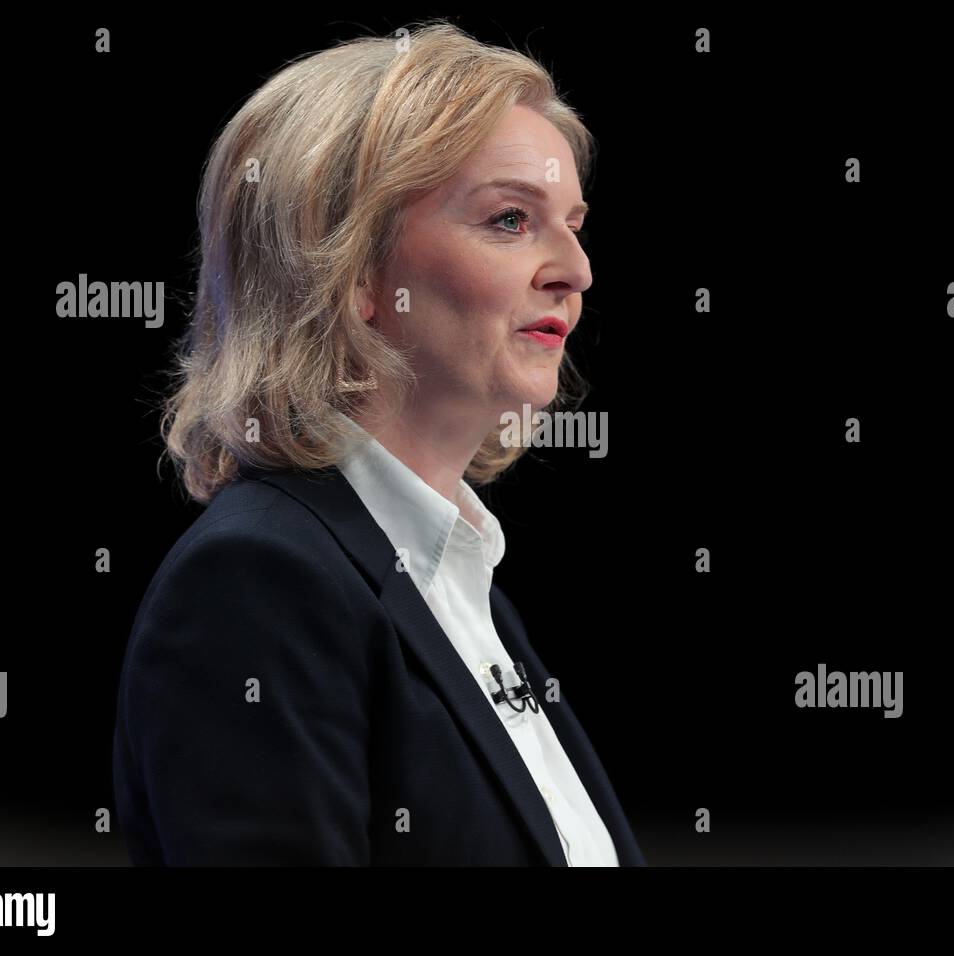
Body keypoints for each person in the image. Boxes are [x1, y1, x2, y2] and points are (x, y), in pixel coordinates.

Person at [111, 20, 645, 866]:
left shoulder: (456, 583)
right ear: (352, 270)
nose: (576, 270)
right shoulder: (259, 583)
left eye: (574, 223)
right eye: (511, 219)